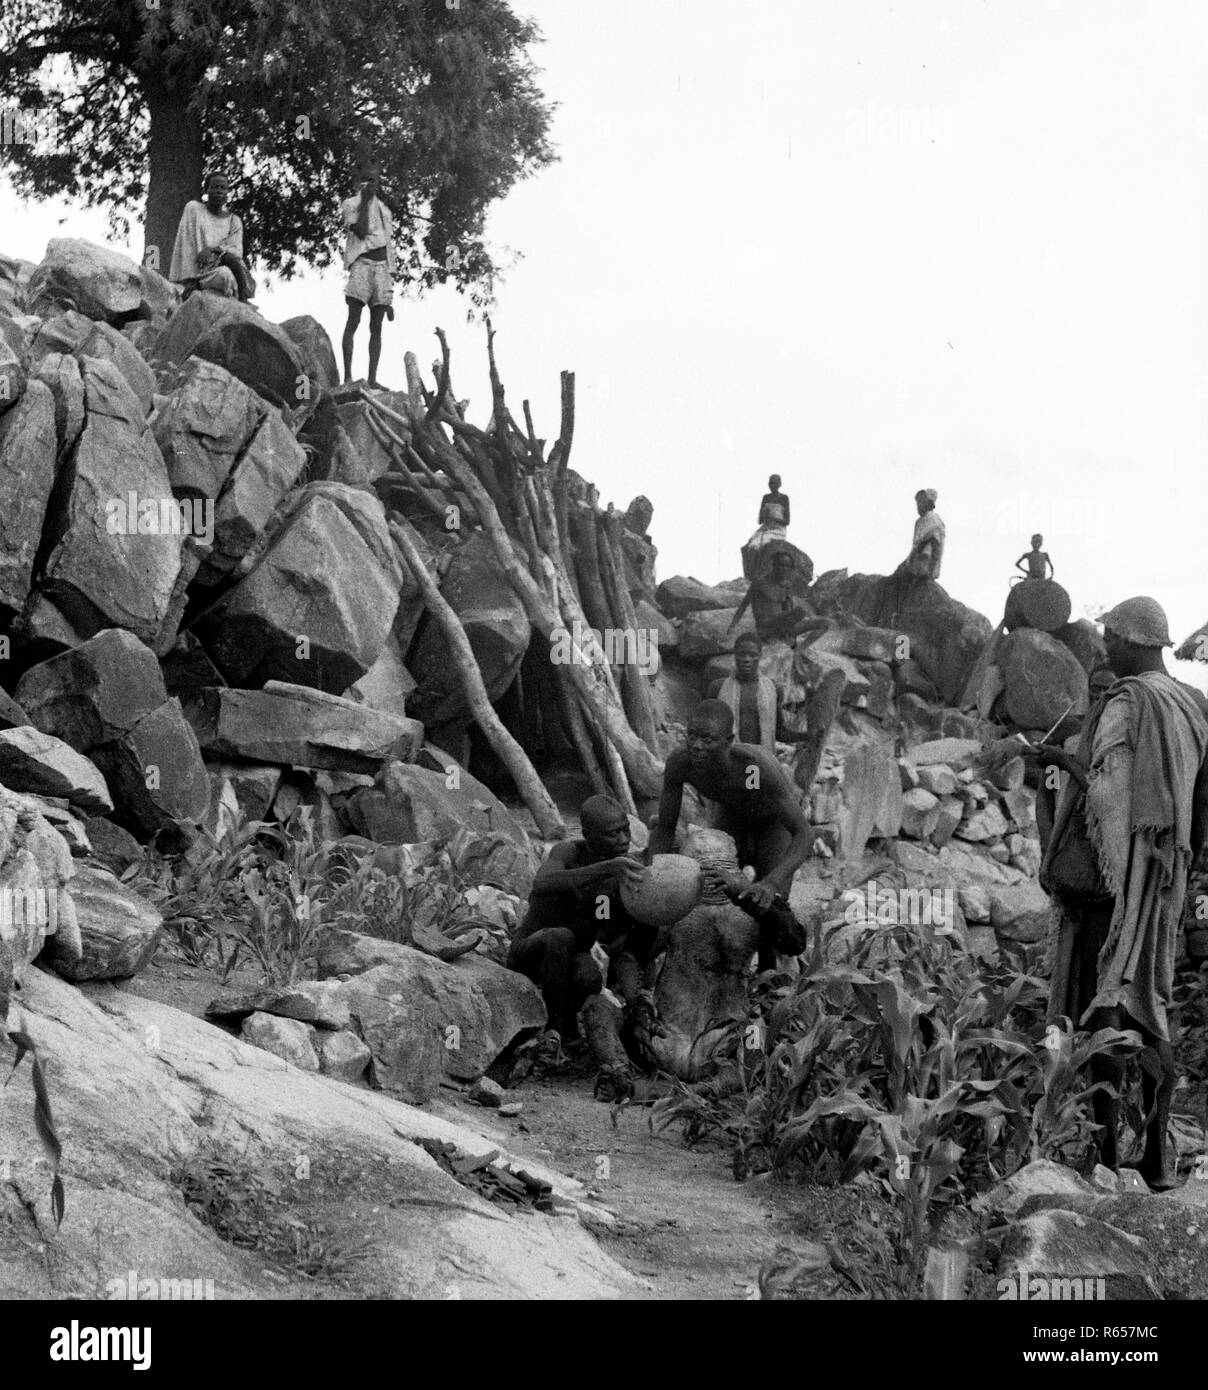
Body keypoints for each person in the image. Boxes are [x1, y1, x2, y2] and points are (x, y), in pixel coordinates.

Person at [1036, 596, 1208, 1189]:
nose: (1105, 645)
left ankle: (1108, 1157)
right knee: (1154, 1010)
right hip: (1165, 877)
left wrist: (1060, 762)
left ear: (1136, 640)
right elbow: (1202, 810)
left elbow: (1106, 796)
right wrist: (1175, 876)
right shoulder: (1195, 705)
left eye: (1111, 636)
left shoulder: (1128, 702)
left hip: (1115, 883)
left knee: (1105, 1008)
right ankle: (1157, 1158)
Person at [506, 794, 646, 1073]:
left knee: (589, 976)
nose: (622, 839)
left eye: (625, 830)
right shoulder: (568, 852)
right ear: (589, 836)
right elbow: (542, 884)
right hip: (530, 952)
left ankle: (568, 1026)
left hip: (571, 959)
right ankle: (552, 1031)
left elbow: (610, 930)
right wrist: (607, 868)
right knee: (561, 937)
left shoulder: (620, 875)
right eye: (612, 834)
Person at [651, 700, 815, 916]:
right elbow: (664, 827)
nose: (697, 746)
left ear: (728, 741)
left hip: (772, 825)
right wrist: (651, 869)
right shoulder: (680, 764)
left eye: (708, 739)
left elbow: (805, 834)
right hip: (732, 819)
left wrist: (771, 883)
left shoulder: (754, 765)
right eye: (692, 737)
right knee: (712, 894)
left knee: (770, 906)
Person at [340, 162, 396, 387]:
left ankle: (372, 379)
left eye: (376, 180)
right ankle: (348, 377)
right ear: (359, 182)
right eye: (368, 180)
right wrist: (364, 200)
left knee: (377, 325)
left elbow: (389, 246)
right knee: (353, 320)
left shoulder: (384, 209)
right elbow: (361, 231)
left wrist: (391, 278)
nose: (373, 184)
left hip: (382, 268)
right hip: (362, 264)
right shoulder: (351, 204)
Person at [708, 632, 810, 753]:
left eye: (752, 655)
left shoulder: (773, 689)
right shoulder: (718, 688)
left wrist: (807, 736)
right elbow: (707, 730)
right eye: (742, 654)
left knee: (753, 772)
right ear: (735, 655)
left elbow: (778, 732)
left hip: (760, 761)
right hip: (727, 761)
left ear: (760, 656)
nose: (747, 659)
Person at [168, 172, 255, 301]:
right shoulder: (194, 209)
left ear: (227, 193)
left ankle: (235, 298)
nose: (219, 191)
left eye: (223, 188)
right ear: (206, 190)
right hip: (194, 270)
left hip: (215, 271)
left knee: (226, 276)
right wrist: (190, 278)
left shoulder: (234, 221)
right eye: (215, 187)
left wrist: (213, 249)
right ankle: (191, 282)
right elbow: (186, 244)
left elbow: (236, 252)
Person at [728, 550, 830, 646]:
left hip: (783, 628)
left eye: (787, 566)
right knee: (799, 612)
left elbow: (788, 611)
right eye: (781, 564)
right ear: (774, 565)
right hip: (765, 628)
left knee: (825, 623)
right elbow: (744, 605)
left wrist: (791, 638)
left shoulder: (786, 586)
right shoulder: (760, 583)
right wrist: (732, 626)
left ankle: (798, 651)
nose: (784, 568)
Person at [898, 488, 945, 580]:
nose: (919, 505)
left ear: (929, 503)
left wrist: (931, 570)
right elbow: (916, 545)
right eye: (918, 502)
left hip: (925, 561)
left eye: (922, 502)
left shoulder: (932, 518)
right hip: (917, 560)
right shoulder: (919, 521)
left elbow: (935, 544)